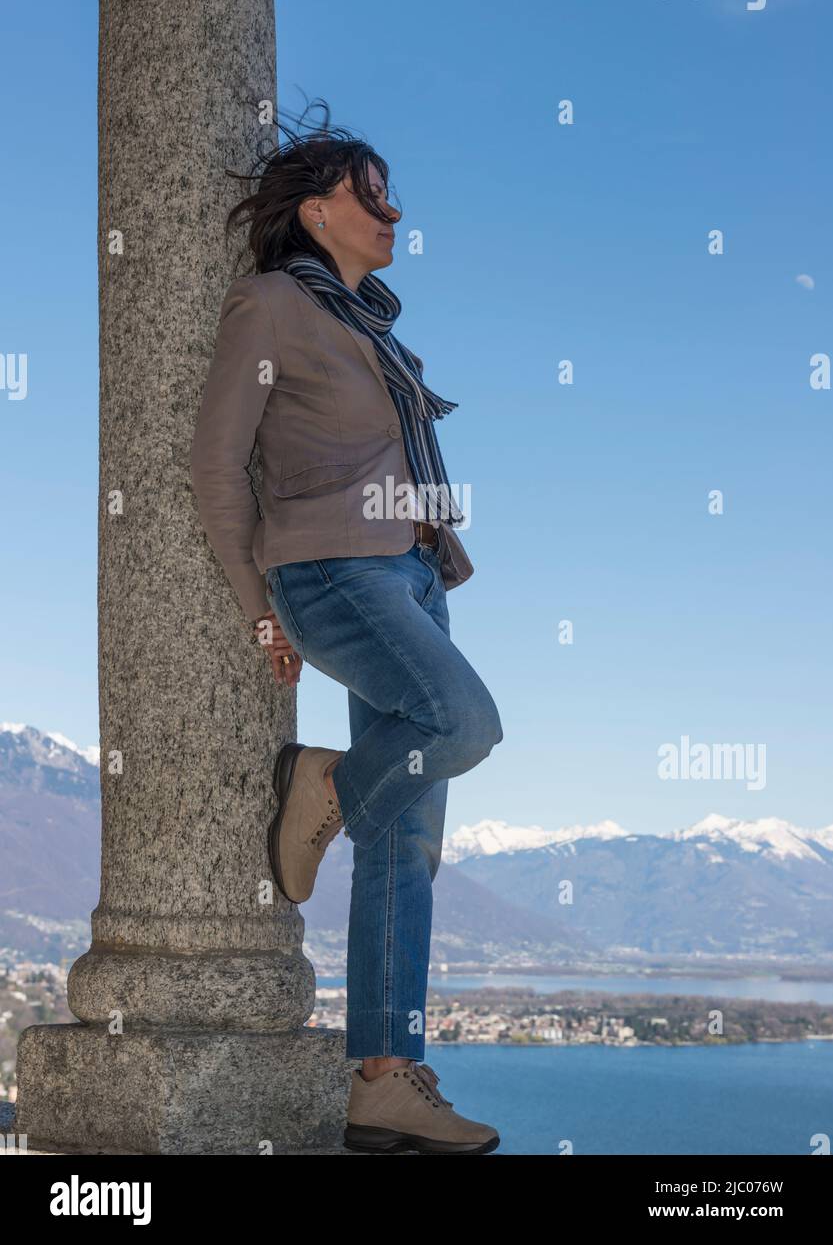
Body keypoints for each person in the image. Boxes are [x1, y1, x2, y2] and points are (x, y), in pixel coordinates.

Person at [190, 104, 503, 1154]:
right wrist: (254, 605)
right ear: (317, 210)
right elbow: (215, 461)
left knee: (404, 841)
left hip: (413, 577)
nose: (393, 211)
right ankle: (322, 783)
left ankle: (380, 1076)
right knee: (461, 722)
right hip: (334, 571)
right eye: (372, 197)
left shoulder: (374, 326)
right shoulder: (274, 303)